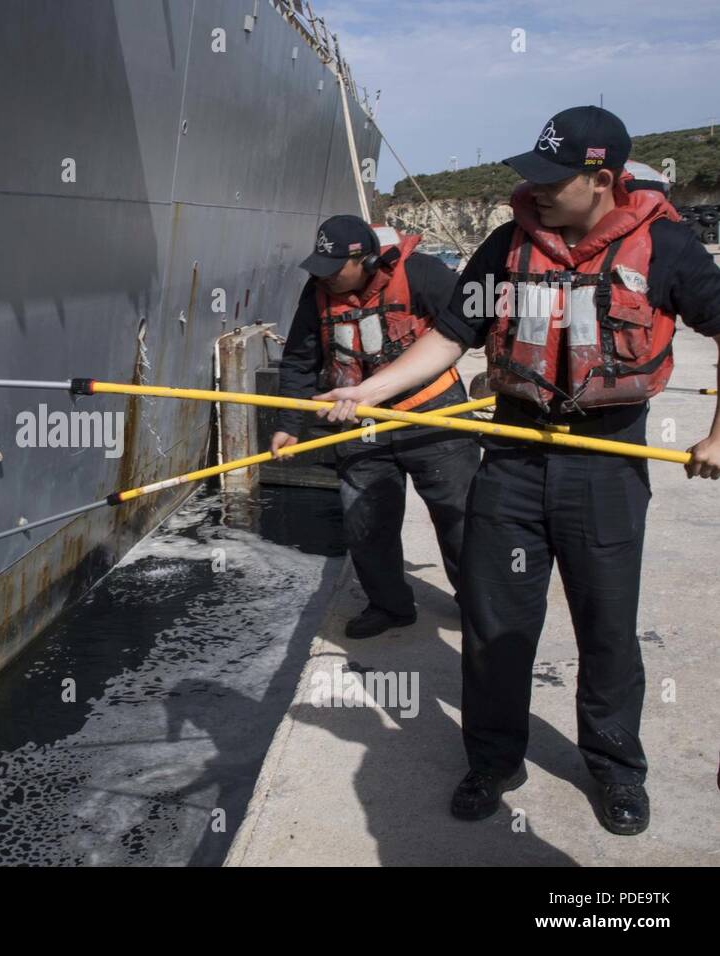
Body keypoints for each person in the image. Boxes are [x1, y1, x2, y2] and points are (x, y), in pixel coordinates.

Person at [314, 106, 720, 835]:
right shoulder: (507, 246)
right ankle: (494, 758)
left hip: (606, 460)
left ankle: (616, 767)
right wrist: (366, 392)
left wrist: (719, 434)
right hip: (511, 454)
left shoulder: (666, 245)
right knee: (495, 620)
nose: (533, 191)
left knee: (606, 628)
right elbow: (448, 338)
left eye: (550, 179)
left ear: (600, 180)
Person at [272, 215, 480, 639]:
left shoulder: (422, 274)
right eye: (319, 268)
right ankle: (390, 605)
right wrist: (289, 423)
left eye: (334, 269)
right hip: (362, 427)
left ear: (366, 261)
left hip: (433, 416)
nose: (324, 278)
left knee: (461, 518)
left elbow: (472, 326)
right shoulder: (317, 294)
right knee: (365, 520)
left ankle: (479, 604)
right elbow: (298, 360)